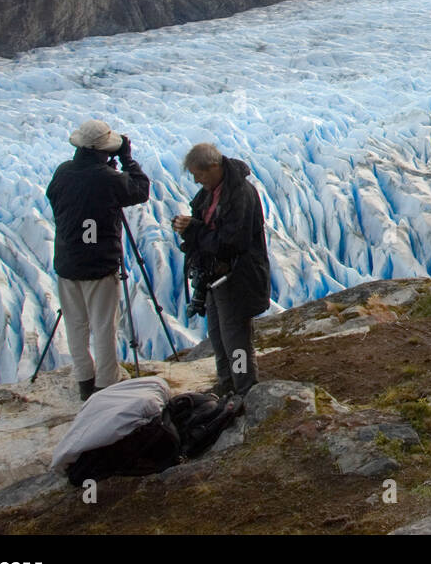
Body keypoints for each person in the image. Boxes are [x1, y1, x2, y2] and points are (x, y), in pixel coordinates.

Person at [46, 120, 150, 400]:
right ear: (105, 150)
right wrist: (127, 159)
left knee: (75, 324)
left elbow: (54, 199)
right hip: (99, 265)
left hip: (67, 262)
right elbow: (141, 190)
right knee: (104, 324)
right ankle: (106, 383)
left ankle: (83, 380)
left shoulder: (63, 172)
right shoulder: (109, 179)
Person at [171, 143, 270, 397]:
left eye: (199, 174)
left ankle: (244, 389)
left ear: (214, 167)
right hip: (215, 278)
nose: (196, 180)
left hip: (236, 278)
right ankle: (226, 383)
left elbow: (231, 242)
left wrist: (194, 229)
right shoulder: (212, 192)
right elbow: (208, 229)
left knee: (235, 339)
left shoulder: (240, 194)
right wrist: (189, 227)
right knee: (218, 335)